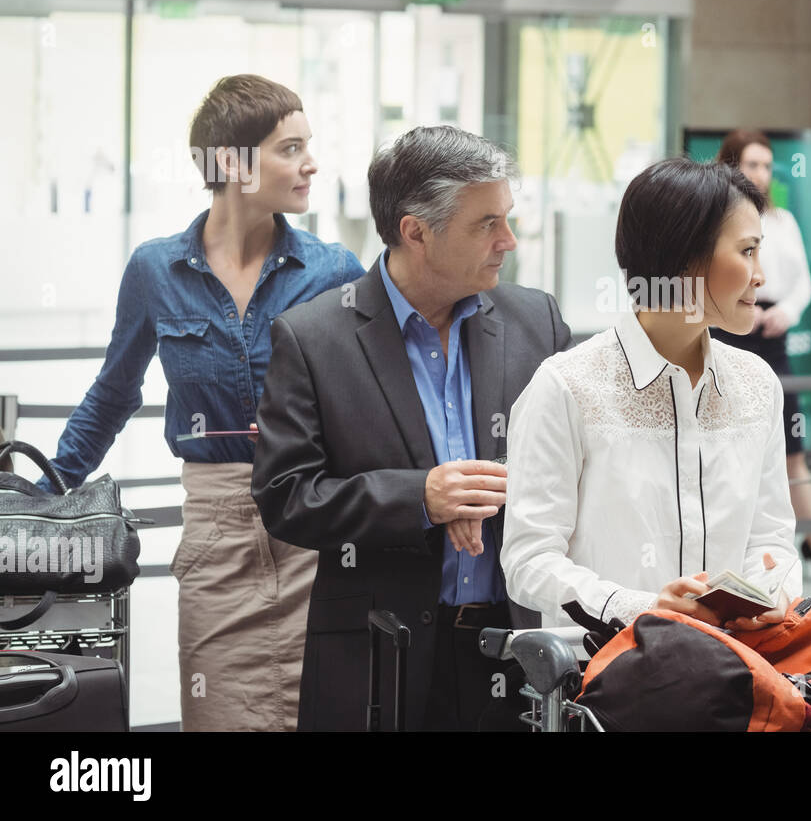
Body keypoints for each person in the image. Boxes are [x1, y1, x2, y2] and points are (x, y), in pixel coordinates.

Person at [40, 74, 365, 731]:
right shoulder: (156, 271)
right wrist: (44, 497)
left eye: (309, 145)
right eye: (290, 148)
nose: (311, 163)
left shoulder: (336, 272)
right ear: (231, 163)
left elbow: (378, 399)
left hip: (316, 533)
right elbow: (112, 395)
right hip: (217, 544)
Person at [251, 125, 572, 731]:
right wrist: (420, 497)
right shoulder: (314, 337)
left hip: (518, 649)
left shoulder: (538, 322)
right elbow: (286, 498)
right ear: (415, 231)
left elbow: (582, 466)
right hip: (378, 659)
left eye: (507, 218)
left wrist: (502, 484)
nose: (509, 239)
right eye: (487, 224)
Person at [500, 157, 802, 631]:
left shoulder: (757, 383)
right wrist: (639, 608)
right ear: (685, 258)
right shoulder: (567, 386)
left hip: (738, 672)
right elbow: (529, 560)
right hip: (609, 684)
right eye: (746, 251)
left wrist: (771, 592)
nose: (760, 275)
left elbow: (772, 538)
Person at [710, 130, 811, 582]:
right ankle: (739, 549)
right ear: (732, 166)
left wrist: (786, 312)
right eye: (752, 164)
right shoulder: (718, 218)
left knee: (791, 447)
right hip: (729, 328)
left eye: (767, 165)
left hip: (774, 334)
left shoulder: (783, 220)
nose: (762, 174)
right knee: (728, 443)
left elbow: (805, 280)